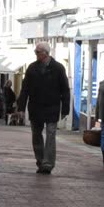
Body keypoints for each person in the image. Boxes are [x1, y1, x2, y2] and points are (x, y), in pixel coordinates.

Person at [17, 42, 70, 174]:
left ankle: (48, 164)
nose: (35, 54)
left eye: (37, 52)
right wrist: (21, 108)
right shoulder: (32, 68)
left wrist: (65, 109)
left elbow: (65, 90)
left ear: (45, 53)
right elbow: (25, 89)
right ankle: (40, 161)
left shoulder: (58, 68)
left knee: (51, 134)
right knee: (36, 134)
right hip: (35, 107)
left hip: (52, 107)